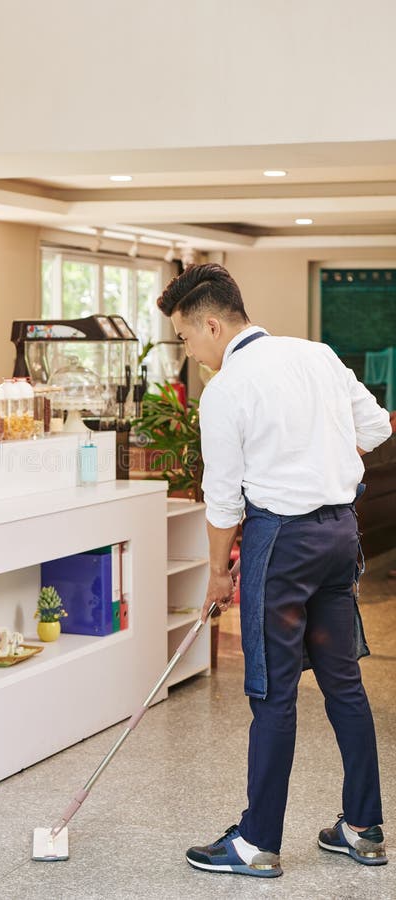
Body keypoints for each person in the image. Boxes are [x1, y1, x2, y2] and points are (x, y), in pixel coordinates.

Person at [156, 263, 391, 879]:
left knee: (273, 693)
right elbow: (374, 427)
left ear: (211, 323)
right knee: (343, 682)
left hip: (280, 544)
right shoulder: (317, 354)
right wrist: (321, 463)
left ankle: (257, 843)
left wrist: (215, 574)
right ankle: (364, 828)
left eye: (186, 338)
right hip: (340, 535)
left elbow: (224, 498)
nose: (190, 352)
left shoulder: (227, 389)